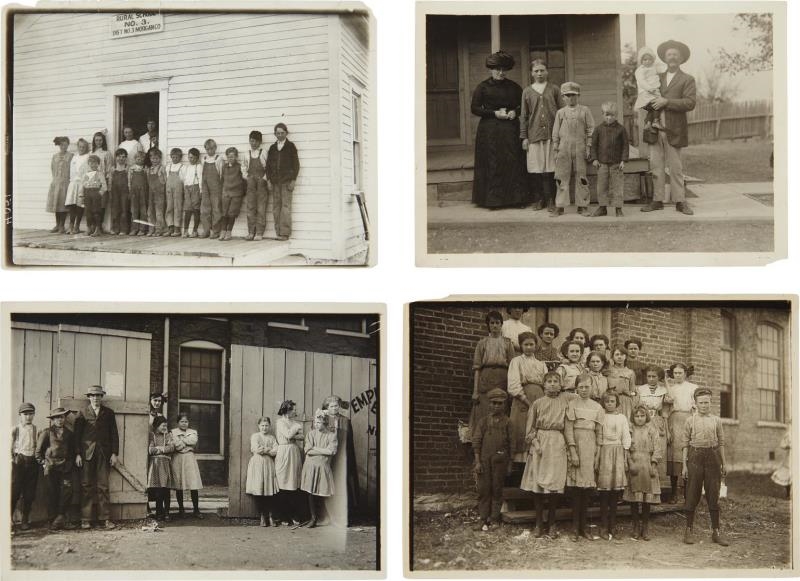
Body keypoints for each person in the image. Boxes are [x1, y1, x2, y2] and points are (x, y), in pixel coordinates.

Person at [641, 39, 696, 216]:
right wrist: (648, 102)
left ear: (681, 58)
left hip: (674, 130)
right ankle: (657, 200)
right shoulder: (656, 77)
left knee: (675, 168)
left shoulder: (687, 79)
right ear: (664, 58)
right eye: (669, 54)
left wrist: (667, 101)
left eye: (675, 54)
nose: (672, 57)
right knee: (656, 167)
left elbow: (690, 102)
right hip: (655, 129)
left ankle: (680, 201)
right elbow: (646, 98)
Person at [520, 372, 575, 537]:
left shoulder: (565, 403)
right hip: (541, 444)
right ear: (544, 385)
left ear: (560, 385)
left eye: (555, 381)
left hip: (557, 443)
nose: (552, 384)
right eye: (549, 381)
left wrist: (568, 447)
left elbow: (568, 427)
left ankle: (552, 523)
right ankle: (538, 524)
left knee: (554, 486)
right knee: (538, 485)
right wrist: (535, 442)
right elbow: (530, 429)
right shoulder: (537, 404)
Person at [470, 51, 528, 209]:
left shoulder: (514, 87)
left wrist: (515, 112)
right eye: (497, 69)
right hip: (489, 130)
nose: (501, 73)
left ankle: (517, 199)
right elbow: (475, 108)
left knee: (513, 160)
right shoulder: (482, 87)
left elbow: (523, 106)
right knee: (493, 162)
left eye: (504, 70)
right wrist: (494, 113)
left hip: (510, 129)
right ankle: (493, 201)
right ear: (491, 69)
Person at [682, 387, 729, 546]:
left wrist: (724, 463)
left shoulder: (716, 420)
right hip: (695, 457)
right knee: (692, 493)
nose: (704, 405)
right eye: (701, 403)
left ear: (711, 402)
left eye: (707, 402)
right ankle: (688, 530)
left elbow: (721, 443)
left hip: (713, 457)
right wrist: (684, 466)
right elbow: (685, 445)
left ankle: (716, 531)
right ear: (696, 403)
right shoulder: (690, 420)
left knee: (713, 495)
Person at [520, 59, 564, 211]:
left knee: (550, 168)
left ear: (547, 71)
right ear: (531, 73)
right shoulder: (527, 91)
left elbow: (562, 113)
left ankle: (551, 199)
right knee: (536, 168)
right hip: (534, 135)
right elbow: (524, 116)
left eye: (542, 70)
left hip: (552, 135)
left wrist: (561, 134)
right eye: (536, 71)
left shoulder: (554, 89)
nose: (539, 73)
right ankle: (539, 199)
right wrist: (524, 137)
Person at [564, 373, 603, 541]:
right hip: (577, 447)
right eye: (581, 387)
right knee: (576, 490)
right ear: (576, 388)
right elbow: (568, 430)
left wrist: (597, 455)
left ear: (592, 388)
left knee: (587, 490)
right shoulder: (572, 405)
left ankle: (584, 527)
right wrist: (573, 451)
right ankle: (575, 527)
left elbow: (599, 433)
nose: (584, 390)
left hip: (590, 448)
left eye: (587, 387)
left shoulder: (597, 407)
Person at [73, 385, 118, 529]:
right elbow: (77, 436)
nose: (95, 398)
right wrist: (77, 454)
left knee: (103, 486)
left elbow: (114, 434)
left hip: (103, 454)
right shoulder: (82, 413)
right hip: (86, 454)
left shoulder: (108, 413)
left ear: (101, 397)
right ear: (89, 397)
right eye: (93, 396)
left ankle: (105, 519)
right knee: (86, 485)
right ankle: (85, 519)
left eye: (98, 395)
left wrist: (114, 453)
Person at [551, 82, 594, 217]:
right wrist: (556, 148)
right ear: (563, 97)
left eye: (573, 95)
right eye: (568, 95)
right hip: (564, 148)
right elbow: (555, 132)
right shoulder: (560, 113)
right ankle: (560, 206)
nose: (571, 98)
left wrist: (588, 147)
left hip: (580, 147)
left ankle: (582, 206)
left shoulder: (585, 110)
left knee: (581, 176)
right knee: (561, 177)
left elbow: (590, 130)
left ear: (578, 96)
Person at [472, 388, 512, 532]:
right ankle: (483, 518)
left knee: (497, 489)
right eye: (494, 403)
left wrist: (509, 464)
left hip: (500, 461)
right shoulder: (483, 422)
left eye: (500, 403)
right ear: (489, 404)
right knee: (484, 489)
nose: (496, 406)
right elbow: (476, 441)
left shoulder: (508, 422)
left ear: (504, 405)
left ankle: (494, 518)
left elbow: (511, 444)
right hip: (484, 461)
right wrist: (478, 462)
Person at [471, 311, 515, 432]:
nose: (495, 325)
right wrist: (475, 391)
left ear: (501, 325)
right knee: (484, 410)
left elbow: (513, 367)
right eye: (492, 323)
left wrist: (511, 388)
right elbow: (477, 368)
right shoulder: (482, 343)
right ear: (488, 325)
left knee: (501, 408)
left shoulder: (507, 343)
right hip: (486, 378)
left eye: (497, 323)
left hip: (503, 378)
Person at [595, 391, 631, 540]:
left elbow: (626, 436)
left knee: (615, 492)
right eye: (607, 401)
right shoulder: (601, 416)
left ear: (617, 403)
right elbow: (598, 437)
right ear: (603, 403)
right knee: (605, 491)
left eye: (612, 401)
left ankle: (613, 525)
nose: (610, 404)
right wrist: (598, 456)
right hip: (605, 451)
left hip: (618, 452)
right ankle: (603, 526)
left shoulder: (622, 418)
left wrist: (625, 456)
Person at [507, 332, 547, 464]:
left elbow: (546, 383)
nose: (529, 347)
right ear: (521, 346)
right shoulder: (516, 361)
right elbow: (513, 383)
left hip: (539, 397)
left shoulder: (541, 364)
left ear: (536, 346)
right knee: (522, 427)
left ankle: (536, 461)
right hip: (523, 399)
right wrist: (527, 401)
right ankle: (521, 465)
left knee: (537, 427)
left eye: (531, 344)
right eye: (526, 345)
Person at [624, 405, 662, 540]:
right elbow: (626, 448)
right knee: (634, 498)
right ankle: (635, 526)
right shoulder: (630, 430)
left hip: (648, 465)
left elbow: (657, 448)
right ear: (633, 417)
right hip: (635, 464)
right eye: (637, 416)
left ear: (646, 416)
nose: (639, 418)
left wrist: (653, 464)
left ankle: (645, 527)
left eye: (642, 416)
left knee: (647, 498)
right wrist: (630, 463)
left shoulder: (651, 430)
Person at [36, 407, 76, 531]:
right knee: (51, 493)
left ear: (65, 418)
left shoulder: (70, 433)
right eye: (57, 417)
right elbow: (38, 452)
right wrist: (44, 463)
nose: (60, 420)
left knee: (67, 492)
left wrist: (70, 463)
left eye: (62, 417)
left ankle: (60, 518)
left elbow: (72, 451)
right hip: (51, 468)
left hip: (65, 467)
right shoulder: (47, 432)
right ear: (53, 420)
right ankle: (51, 520)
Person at [323, 395, 359, 527]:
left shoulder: (345, 421)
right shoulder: (323, 419)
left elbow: (349, 442)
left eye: (336, 406)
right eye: (331, 406)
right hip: (327, 457)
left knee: (342, 486)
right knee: (327, 485)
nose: (334, 408)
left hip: (341, 458)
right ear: (327, 407)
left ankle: (342, 517)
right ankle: (326, 516)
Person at [589, 101, 629, 218]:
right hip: (602, 163)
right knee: (602, 186)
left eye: (611, 115)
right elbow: (593, 146)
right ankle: (602, 207)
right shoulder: (598, 129)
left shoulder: (621, 129)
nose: (609, 118)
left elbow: (625, 146)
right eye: (606, 115)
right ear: (603, 115)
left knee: (617, 186)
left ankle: (618, 208)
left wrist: (623, 160)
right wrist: (594, 159)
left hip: (616, 163)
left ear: (616, 115)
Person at [636, 365, 671, 493]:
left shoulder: (663, 391)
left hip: (657, 422)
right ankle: (642, 487)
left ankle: (657, 488)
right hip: (643, 421)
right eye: (649, 376)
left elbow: (666, 409)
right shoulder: (640, 389)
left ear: (659, 377)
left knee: (657, 452)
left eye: (654, 376)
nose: (651, 379)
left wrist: (667, 430)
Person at [301, 410, 338, 528]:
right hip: (311, 466)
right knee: (311, 492)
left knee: (324, 492)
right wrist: (322, 451)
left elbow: (331, 451)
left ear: (325, 422)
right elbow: (308, 450)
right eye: (315, 422)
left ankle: (328, 517)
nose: (316, 425)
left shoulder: (331, 435)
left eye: (319, 422)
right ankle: (313, 518)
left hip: (323, 466)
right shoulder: (310, 434)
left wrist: (315, 448)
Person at [666, 363, 697, 503]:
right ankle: (674, 493)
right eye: (675, 373)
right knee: (673, 455)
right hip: (673, 420)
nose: (677, 375)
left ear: (685, 373)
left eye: (680, 373)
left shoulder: (692, 387)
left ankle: (687, 494)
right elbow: (667, 408)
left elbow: (696, 408)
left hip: (687, 420)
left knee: (686, 454)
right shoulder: (670, 388)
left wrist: (694, 424)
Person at [266, 123, 300, 240]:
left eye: (282, 133)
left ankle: (285, 233)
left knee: (285, 207)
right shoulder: (272, 148)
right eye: (278, 133)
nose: (280, 135)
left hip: (286, 182)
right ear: (275, 134)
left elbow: (296, 165)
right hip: (275, 182)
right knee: (276, 207)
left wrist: (293, 180)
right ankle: (278, 232)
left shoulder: (291, 146)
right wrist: (269, 181)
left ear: (286, 133)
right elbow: (268, 166)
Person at [246, 417, 279, 527]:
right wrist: (268, 449)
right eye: (262, 425)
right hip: (257, 464)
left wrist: (266, 450)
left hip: (269, 464)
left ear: (269, 426)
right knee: (258, 489)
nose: (264, 428)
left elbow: (276, 451)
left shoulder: (272, 437)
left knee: (269, 490)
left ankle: (271, 516)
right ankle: (262, 516)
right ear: (259, 426)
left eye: (266, 425)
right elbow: (257, 450)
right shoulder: (255, 436)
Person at [275, 400, 304, 525]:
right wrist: (295, 429)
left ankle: (294, 515)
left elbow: (302, 437)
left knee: (294, 482)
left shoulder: (293, 422)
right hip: (284, 452)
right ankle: (283, 516)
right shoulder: (280, 422)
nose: (296, 411)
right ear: (287, 410)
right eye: (294, 409)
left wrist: (294, 435)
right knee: (283, 482)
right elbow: (287, 435)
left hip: (294, 452)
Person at [11, 403, 40, 533]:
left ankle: (25, 519)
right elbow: (9, 447)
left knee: (29, 493)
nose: (28, 417)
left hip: (32, 462)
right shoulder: (15, 429)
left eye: (31, 414)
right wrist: (11, 460)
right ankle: (9, 518)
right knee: (14, 491)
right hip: (19, 462)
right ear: (20, 415)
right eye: (25, 414)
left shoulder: (36, 429)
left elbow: (38, 447)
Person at [171, 413, 204, 518]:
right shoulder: (173, 432)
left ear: (188, 422)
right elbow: (176, 445)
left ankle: (196, 509)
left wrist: (181, 440)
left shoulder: (193, 432)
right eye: (182, 421)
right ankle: (181, 509)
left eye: (186, 421)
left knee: (193, 484)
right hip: (178, 458)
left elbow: (193, 441)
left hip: (189, 459)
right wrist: (186, 444)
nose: (184, 423)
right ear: (178, 422)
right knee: (179, 484)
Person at [634, 47, 667, 136]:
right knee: (657, 105)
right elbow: (642, 81)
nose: (647, 61)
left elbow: (661, 70)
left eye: (649, 59)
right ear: (641, 61)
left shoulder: (653, 68)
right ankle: (655, 121)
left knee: (652, 109)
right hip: (647, 93)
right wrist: (649, 88)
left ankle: (648, 123)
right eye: (645, 60)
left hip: (654, 92)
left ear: (652, 60)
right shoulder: (640, 70)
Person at [243, 130, 269, 241]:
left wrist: (264, 179)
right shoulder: (247, 154)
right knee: (250, 207)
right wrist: (247, 177)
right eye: (251, 141)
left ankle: (259, 232)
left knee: (261, 208)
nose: (253, 143)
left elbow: (268, 168)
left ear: (260, 142)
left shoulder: (263, 153)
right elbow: (244, 168)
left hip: (261, 184)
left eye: (256, 141)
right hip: (251, 184)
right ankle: (251, 232)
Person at [148, 416, 175, 521]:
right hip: (156, 465)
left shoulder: (168, 436)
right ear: (156, 426)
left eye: (166, 426)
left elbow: (171, 448)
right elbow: (150, 450)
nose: (165, 427)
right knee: (158, 490)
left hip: (165, 465)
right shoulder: (152, 436)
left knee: (166, 490)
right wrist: (163, 449)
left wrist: (159, 449)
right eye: (163, 425)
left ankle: (167, 512)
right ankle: (159, 512)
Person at [219, 147, 247, 240]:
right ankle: (223, 231)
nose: (230, 158)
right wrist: (223, 191)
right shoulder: (224, 167)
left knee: (232, 213)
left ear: (236, 157)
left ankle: (229, 232)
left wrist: (242, 192)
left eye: (232, 156)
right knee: (224, 213)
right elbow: (222, 180)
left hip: (236, 194)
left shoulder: (239, 167)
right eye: (228, 157)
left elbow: (244, 181)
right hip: (226, 193)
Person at [64, 138, 91, 234]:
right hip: (73, 183)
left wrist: (85, 183)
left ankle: (77, 226)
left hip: (82, 183)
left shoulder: (88, 157)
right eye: (80, 146)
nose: (81, 148)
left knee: (80, 204)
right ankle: (71, 225)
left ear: (86, 148)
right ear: (77, 147)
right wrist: (72, 181)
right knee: (72, 204)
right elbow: (71, 170)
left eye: (83, 147)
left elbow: (88, 171)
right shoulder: (74, 157)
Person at [46, 136, 73, 233]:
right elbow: (52, 169)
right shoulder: (55, 156)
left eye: (65, 145)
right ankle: (57, 225)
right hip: (56, 182)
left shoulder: (71, 156)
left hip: (65, 183)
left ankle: (62, 225)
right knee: (56, 203)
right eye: (61, 145)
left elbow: (72, 169)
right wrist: (56, 180)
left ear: (68, 145)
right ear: (59, 145)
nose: (63, 147)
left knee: (63, 204)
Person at [78, 154, 108, 237]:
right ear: (88, 163)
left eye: (95, 163)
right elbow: (82, 184)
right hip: (87, 193)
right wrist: (81, 194)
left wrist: (99, 194)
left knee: (96, 211)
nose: (93, 164)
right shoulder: (86, 174)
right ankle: (89, 228)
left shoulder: (100, 174)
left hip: (96, 193)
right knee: (88, 211)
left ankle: (97, 229)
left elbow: (104, 186)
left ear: (98, 164)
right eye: (91, 162)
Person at [606, 345, 638, 420]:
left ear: (626, 356)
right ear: (613, 357)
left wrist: (629, 393)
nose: (619, 357)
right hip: (612, 400)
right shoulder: (608, 371)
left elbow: (634, 392)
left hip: (626, 401)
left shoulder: (630, 372)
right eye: (617, 355)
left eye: (622, 354)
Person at [200, 139, 225, 238]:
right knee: (205, 208)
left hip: (216, 187)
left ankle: (216, 231)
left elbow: (221, 174)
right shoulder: (204, 159)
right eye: (207, 149)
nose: (210, 151)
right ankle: (206, 230)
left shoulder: (218, 159)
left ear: (215, 148)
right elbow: (202, 174)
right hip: (205, 186)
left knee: (216, 208)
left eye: (211, 149)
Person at [108, 149, 130, 235]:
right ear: (116, 157)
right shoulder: (113, 168)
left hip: (124, 191)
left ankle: (124, 229)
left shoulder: (127, 168)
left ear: (126, 158)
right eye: (119, 157)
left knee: (124, 208)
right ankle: (115, 228)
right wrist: (110, 191)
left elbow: (129, 181)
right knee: (115, 209)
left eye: (123, 157)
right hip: (115, 191)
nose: (121, 158)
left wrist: (129, 191)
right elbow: (110, 181)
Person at [146, 148, 167, 236]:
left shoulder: (162, 168)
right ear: (150, 158)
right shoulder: (149, 169)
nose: (154, 160)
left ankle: (159, 229)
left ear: (160, 159)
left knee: (159, 212)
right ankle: (151, 229)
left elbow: (165, 181)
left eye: (156, 158)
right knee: (150, 211)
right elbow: (148, 180)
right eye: (152, 158)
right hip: (151, 193)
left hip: (159, 193)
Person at [165, 148, 186, 237]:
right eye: (173, 157)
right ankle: (170, 227)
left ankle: (177, 228)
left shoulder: (182, 167)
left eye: (176, 157)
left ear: (180, 157)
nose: (174, 159)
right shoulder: (168, 167)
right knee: (169, 207)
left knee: (177, 207)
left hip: (178, 189)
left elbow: (183, 179)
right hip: (169, 189)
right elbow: (166, 178)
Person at [182, 148, 203, 238]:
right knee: (187, 210)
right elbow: (185, 178)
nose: (191, 159)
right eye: (189, 157)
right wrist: (185, 188)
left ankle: (195, 231)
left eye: (193, 158)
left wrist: (201, 190)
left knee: (196, 209)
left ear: (197, 158)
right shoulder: (187, 167)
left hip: (196, 188)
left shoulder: (199, 166)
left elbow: (200, 179)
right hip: (187, 188)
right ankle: (185, 231)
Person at [128, 150, 149, 236]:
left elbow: (148, 180)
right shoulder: (131, 169)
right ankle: (134, 229)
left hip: (143, 191)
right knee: (134, 210)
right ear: (135, 159)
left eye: (142, 159)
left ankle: (142, 229)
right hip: (134, 192)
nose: (140, 160)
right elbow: (129, 181)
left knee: (143, 210)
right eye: (138, 159)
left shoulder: (145, 169)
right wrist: (130, 190)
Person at [771, 427, 791, 498]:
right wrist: (788, 446)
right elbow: (782, 444)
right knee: (788, 474)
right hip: (791, 456)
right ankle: (788, 494)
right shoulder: (789, 434)